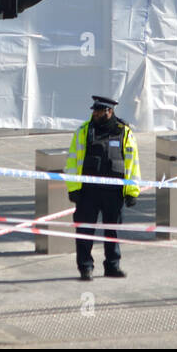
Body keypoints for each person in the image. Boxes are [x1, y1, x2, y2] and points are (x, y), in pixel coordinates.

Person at [66, 95, 141, 280]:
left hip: (113, 192)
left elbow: (132, 164)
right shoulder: (83, 131)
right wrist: (73, 188)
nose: (96, 114)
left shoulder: (124, 132)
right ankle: (85, 267)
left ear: (110, 111)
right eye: (95, 110)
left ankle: (112, 266)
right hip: (88, 191)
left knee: (112, 230)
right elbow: (72, 161)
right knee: (84, 230)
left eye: (100, 111)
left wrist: (132, 191)